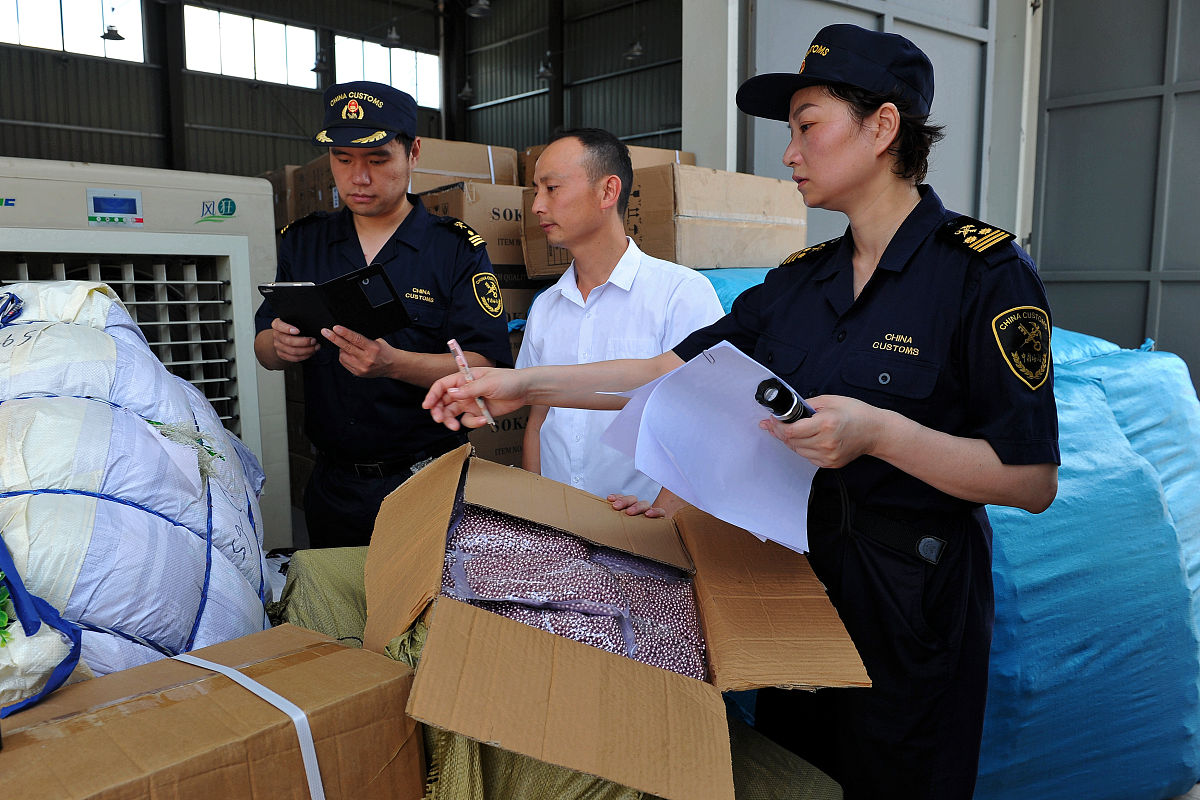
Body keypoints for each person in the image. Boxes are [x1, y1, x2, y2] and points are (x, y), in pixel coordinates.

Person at [423, 23, 1059, 800]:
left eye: (807, 127)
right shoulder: (800, 282)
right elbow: (668, 374)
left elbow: (1029, 479)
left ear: (883, 126)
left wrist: (881, 433)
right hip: (789, 578)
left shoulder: (981, 273)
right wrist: (522, 387)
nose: (789, 153)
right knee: (795, 778)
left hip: (911, 596)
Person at [254, 80, 512, 548]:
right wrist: (280, 344)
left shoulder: (452, 248)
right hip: (333, 486)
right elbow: (264, 347)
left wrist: (394, 364)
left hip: (427, 480)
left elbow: (485, 365)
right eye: (343, 159)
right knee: (337, 609)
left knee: (425, 613)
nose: (359, 177)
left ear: (413, 153)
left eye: (377, 160)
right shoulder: (304, 241)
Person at [519, 128, 723, 514]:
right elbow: (538, 418)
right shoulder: (546, 306)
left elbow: (706, 422)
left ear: (608, 191)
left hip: (646, 526)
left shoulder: (680, 294)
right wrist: (537, 510)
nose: (537, 207)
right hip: (561, 525)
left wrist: (662, 515)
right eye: (535, 190)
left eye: (552, 188)